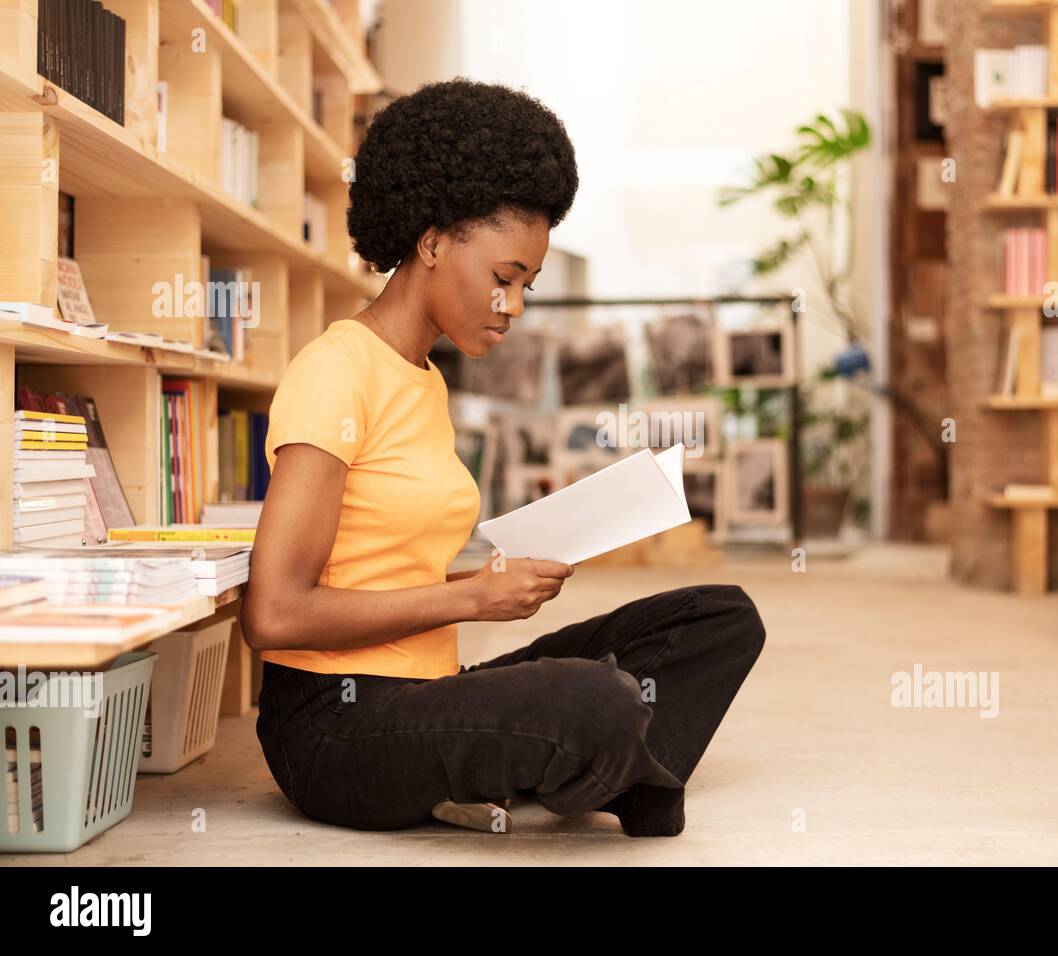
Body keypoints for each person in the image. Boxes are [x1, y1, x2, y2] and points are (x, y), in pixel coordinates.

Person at [240, 78, 766, 838]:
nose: (513, 306)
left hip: (426, 689)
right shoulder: (337, 371)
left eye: (527, 285)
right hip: (336, 730)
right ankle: (615, 772)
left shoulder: (423, 379)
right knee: (597, 703)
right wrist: (471, 600)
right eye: (503, 279)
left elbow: (385, 579)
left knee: (719, 619)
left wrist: (486, 584)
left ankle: (592, 770)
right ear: (430, 242)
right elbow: (275, 613)